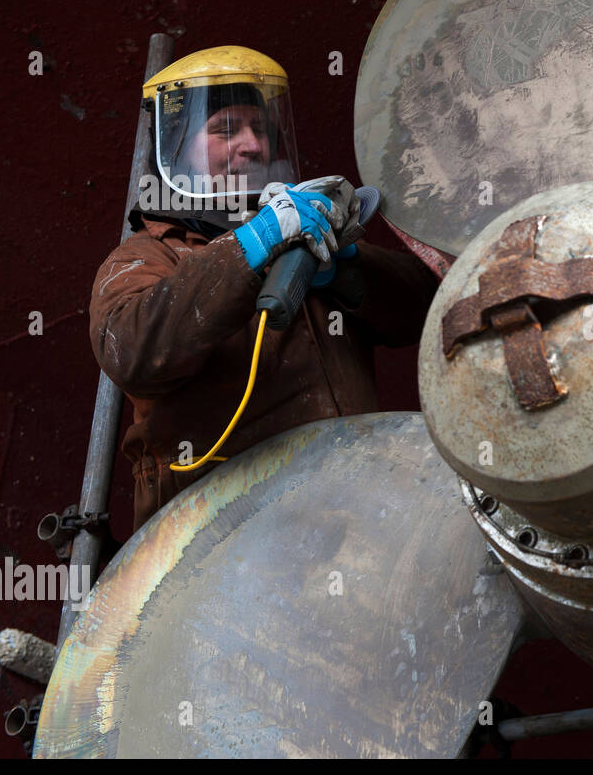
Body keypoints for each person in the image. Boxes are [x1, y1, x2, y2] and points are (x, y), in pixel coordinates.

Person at [89, 46, 440, 532]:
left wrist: (350, 271)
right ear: (175, 151)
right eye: (225, 129)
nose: (253, 145)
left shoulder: (310, 237)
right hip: (222, 545)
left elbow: (426, 307)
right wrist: (249, 248)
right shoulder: (147, 257)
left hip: (361, 512)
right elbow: (132, 351)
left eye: (260, 129)